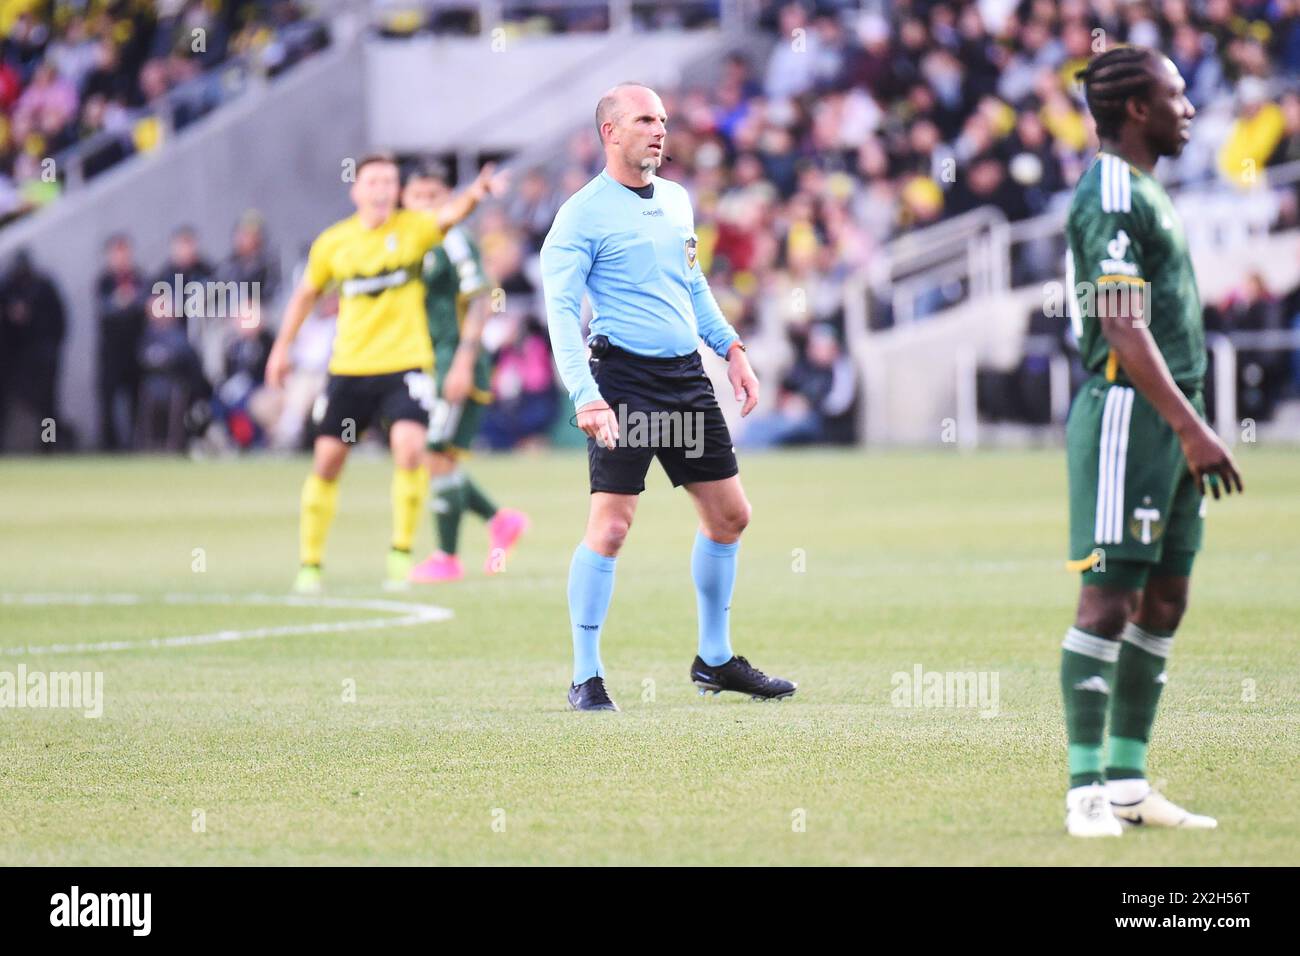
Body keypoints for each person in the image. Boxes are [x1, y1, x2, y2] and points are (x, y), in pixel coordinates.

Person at [541, 82, 795, 712]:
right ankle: (585, 674)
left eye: (662, 119)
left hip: (685, 380)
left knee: (730, 517)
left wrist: (731, 350)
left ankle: (714, 661)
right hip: (623, 384)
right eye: (644, 119)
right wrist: (587, 394)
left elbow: (693, 282)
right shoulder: (580, 215)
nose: (659, 129)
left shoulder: (678, 201)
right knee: (612, 526)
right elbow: (561, 313)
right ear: (611, 132)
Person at [1060, 48, 1244, 837]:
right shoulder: (1106, 189)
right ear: (1137, 108)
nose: (1190, 107)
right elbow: (1119, 325)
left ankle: (1130, 783)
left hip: (1171, 418)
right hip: (1132, 417)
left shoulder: (1145, 189)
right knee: (1108, 601)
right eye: (1176, 94)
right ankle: (1085, 793)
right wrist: (1194, 429)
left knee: (1166, 597)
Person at [264, 153, 501, 592]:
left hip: (404, 366)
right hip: (350, 368)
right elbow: (306, 295)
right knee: (328, 462)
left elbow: (450, 215)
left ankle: (399, 556)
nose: (382, 190)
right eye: (373, 181)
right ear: (356, 190)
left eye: (390, 182)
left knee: (411, 451)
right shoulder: (334, 243)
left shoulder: (412, 230)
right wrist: (282, 347)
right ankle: (311, 565)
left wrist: (474, 193)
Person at [399, 164, 529, 583]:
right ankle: (500, 520)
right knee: (440, 455)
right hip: (429, 362)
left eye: (435, 197)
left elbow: (482, 298)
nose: (425, 205)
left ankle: (447, 557)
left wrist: (463, 360)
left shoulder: (453, 239)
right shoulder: (411, 243)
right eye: (417, 196)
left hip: (458, 361)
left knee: (435, 452)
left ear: (449, 198)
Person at [95, 233, 146, 451]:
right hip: (111, 352)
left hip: (135, 350)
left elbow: (145, 303)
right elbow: (105, 308)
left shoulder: (139, 278)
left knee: (136, 400)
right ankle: (109, 446)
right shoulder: (104, 281)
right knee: (107, 401)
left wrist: (131, 300)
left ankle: (137, 445)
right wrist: (120, 301)